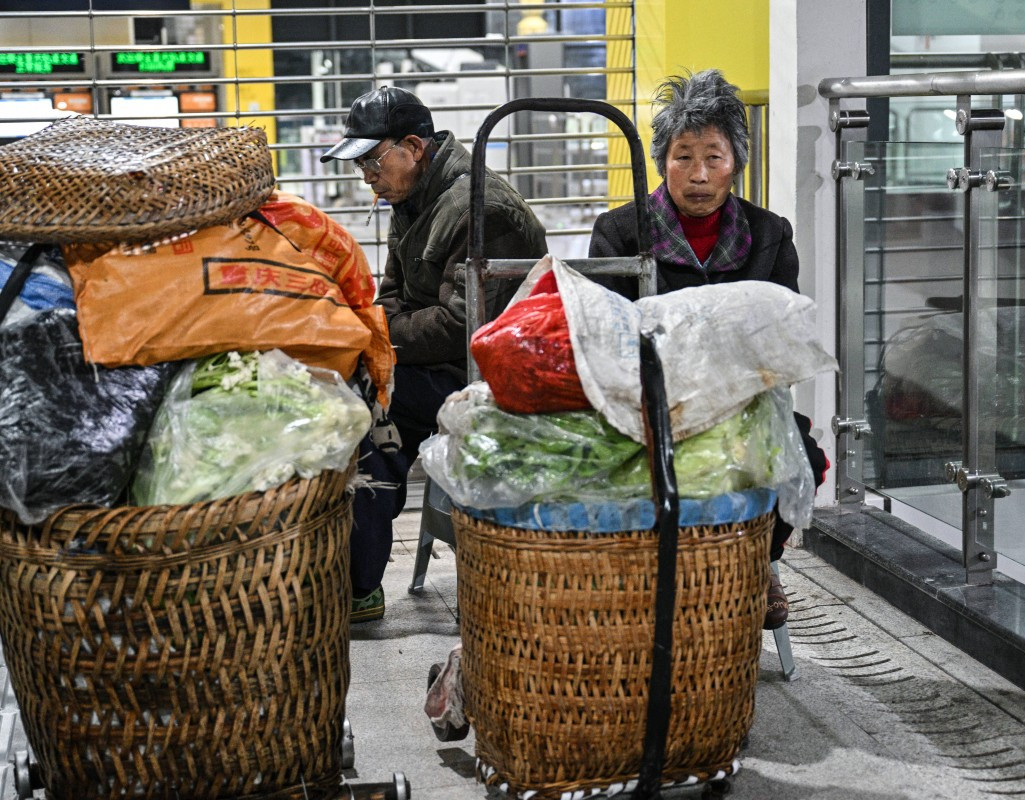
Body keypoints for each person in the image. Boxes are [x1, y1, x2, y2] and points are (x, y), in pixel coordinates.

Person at [588, 69, 828, 630]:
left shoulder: (769, 235)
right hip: (647, 405)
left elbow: (781, 333)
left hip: (740, 402)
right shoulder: (621, 233)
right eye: (683, 157)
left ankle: (759, 562)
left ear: (736, 164)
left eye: (713, 158)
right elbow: (605, 334)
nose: (698, 175)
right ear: (661, 161)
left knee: (803, 458)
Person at [320, 86, 548, 622]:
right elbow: (393, 291)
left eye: (373, 162)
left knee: (371, 416)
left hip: (484, 375)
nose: (367, 177)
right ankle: (337, 568)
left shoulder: (482, 209)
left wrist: (379, 333)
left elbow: (459, 328)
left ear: (414, 146)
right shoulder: (412, 195)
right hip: (431, 361)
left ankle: (356, 587)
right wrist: (378, 331)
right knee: (342, 391)